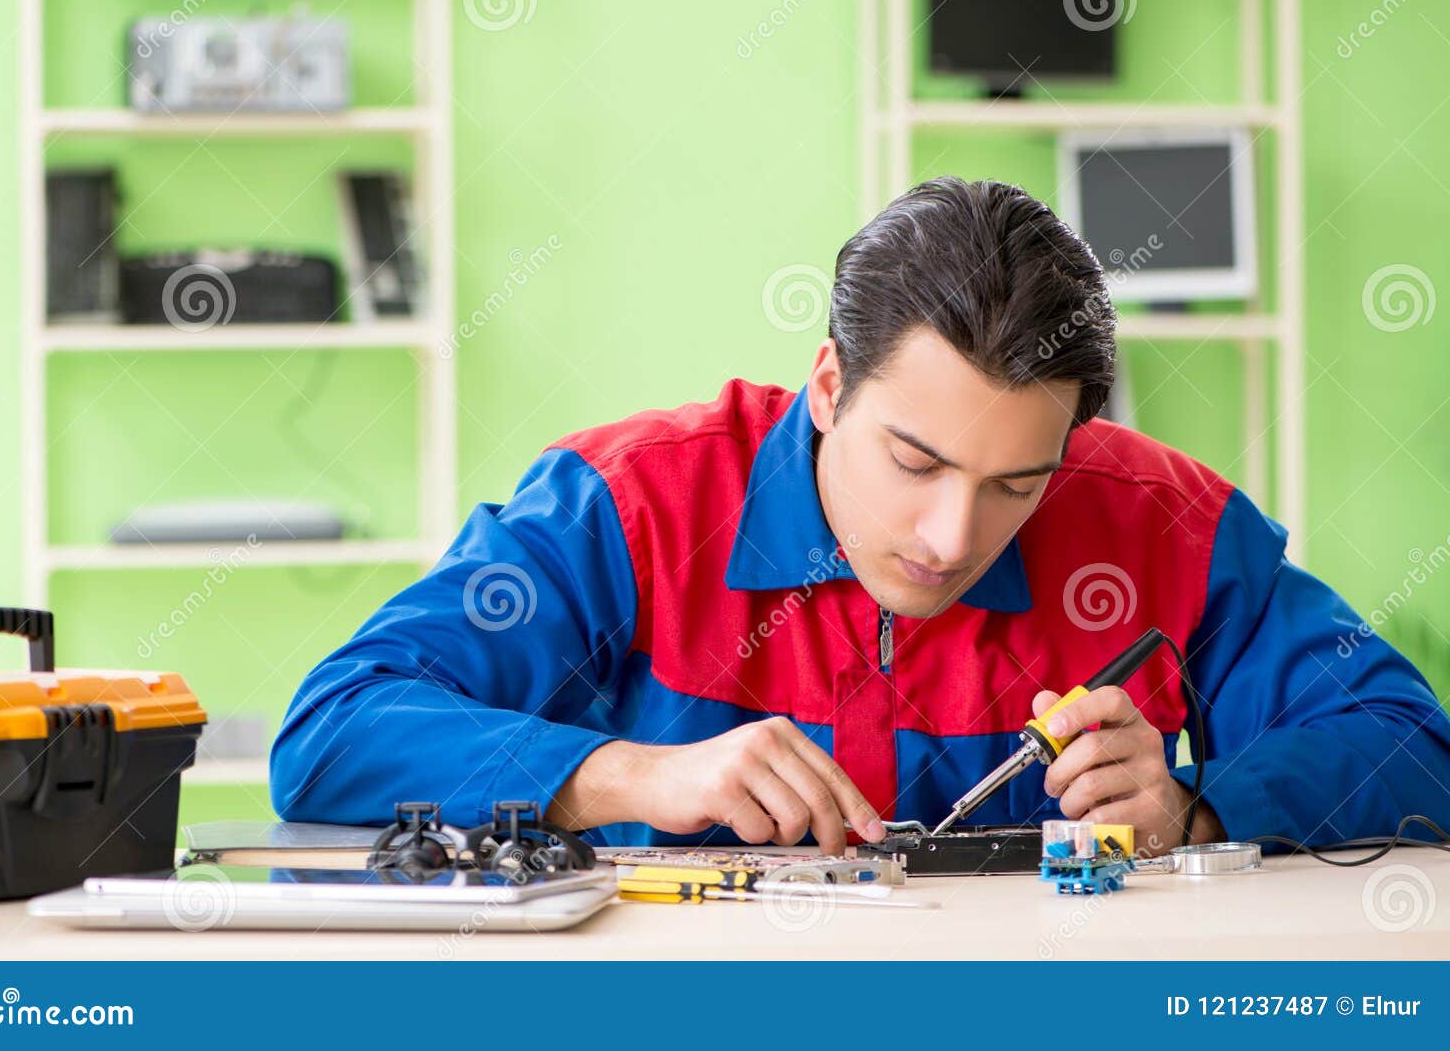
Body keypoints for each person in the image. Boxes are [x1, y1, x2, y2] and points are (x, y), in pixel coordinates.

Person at [271, 177, 1450, 855]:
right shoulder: (628, 503)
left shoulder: (1161, 525)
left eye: (1016, 485)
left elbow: (1411, 743)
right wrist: (626, 775)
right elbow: (332, 729)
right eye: (915, 460)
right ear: (828, 386)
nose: (948, 536)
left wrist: (1198, 806)